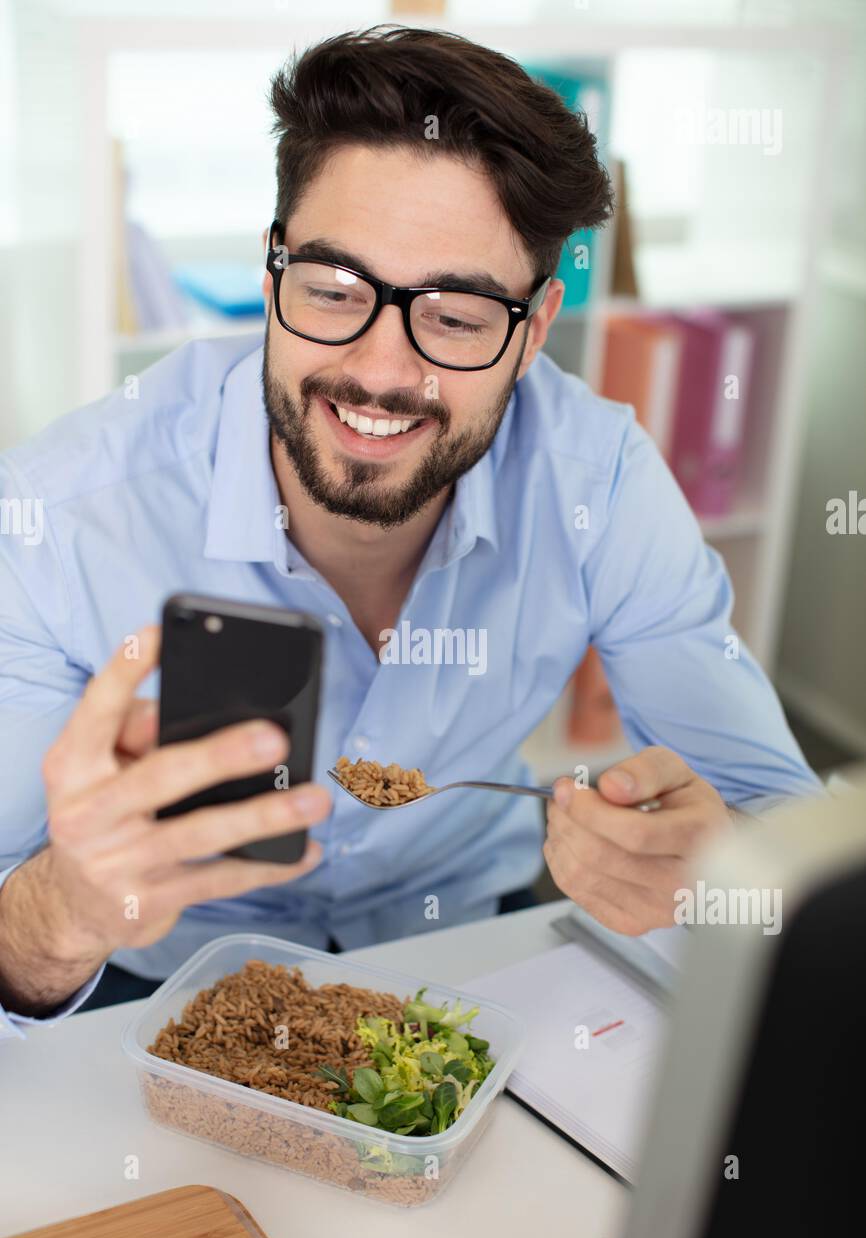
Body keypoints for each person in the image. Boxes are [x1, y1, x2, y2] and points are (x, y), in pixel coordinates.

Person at [0, 26, 820, 1031]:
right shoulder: (59, 518)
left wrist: (707, 873)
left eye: (458, 317)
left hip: (473, 942)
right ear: (270, 278)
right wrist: (65, 909)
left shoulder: (595, 481)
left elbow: (789, 843)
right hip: (149, 973)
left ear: (531, 333)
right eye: (333, 291)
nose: (383, 373)